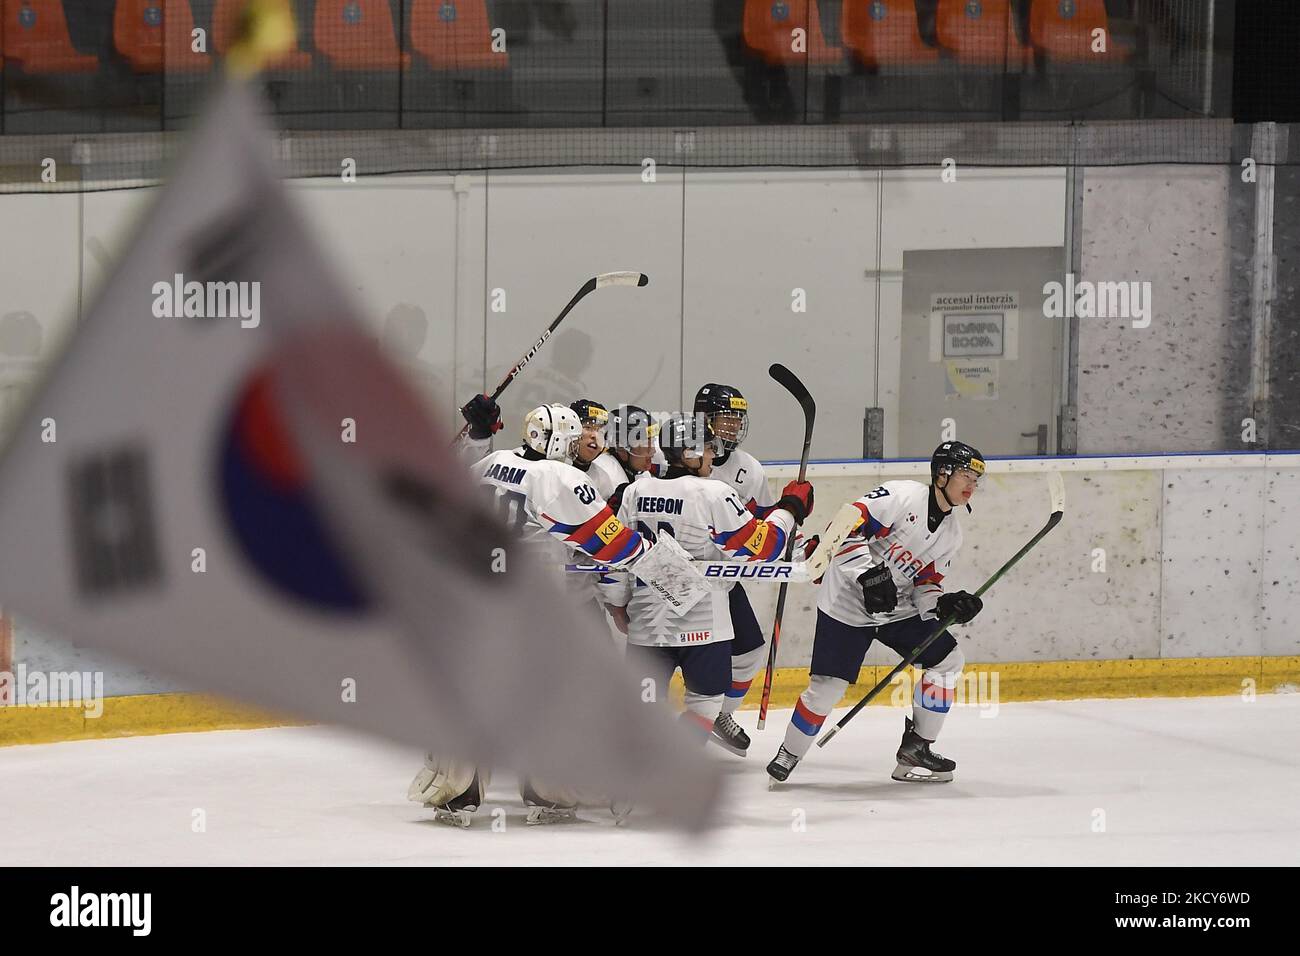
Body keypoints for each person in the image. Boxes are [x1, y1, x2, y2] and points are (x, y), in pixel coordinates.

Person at [409, 401, 650, 826]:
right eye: (572, 438)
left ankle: (458, 795)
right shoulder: (560, 477)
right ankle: (549, 791)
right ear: (554, 438)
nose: (576, 445)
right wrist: (649, 554)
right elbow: (607, 542)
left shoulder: (493, 462)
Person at [766, 441, 987, 786]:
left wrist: (945, 605)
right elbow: (845, 527)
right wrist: (868, 575)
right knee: (827, 689)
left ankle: (918, 747)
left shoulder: (951, 534)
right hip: (847, 601)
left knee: (948, 660)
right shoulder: (901, 496)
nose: (971, 484)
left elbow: (925, 585)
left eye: (976, 478)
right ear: (941, 475)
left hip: (895, 608)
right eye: (964, 475)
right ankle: (789, 752)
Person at [604, 413, 814, 745]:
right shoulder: (713, 493)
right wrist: (790, 508)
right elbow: (763, 547)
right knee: (705, 706)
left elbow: (615, 552)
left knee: (640, 708)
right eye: (706, 447)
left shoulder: (636, 489)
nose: (713, 454)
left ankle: (630, 781)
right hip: (702, 625)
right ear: (688, 452)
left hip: (647, 622)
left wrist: (617, 603)